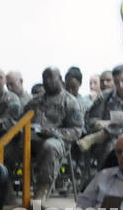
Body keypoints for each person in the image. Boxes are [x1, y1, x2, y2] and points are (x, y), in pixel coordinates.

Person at [23, 66, 85, 199]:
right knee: (6, 146)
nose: (47, 81)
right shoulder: (35, 101)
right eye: (44, 78)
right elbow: (21, 121)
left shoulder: (70, 101)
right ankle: (7, 191)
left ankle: (42, 190)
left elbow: (77, 130)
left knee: (50, 146)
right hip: (32, 139)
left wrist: (53, 132)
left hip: (58, 142)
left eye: (51, 77)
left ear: (61, 79)